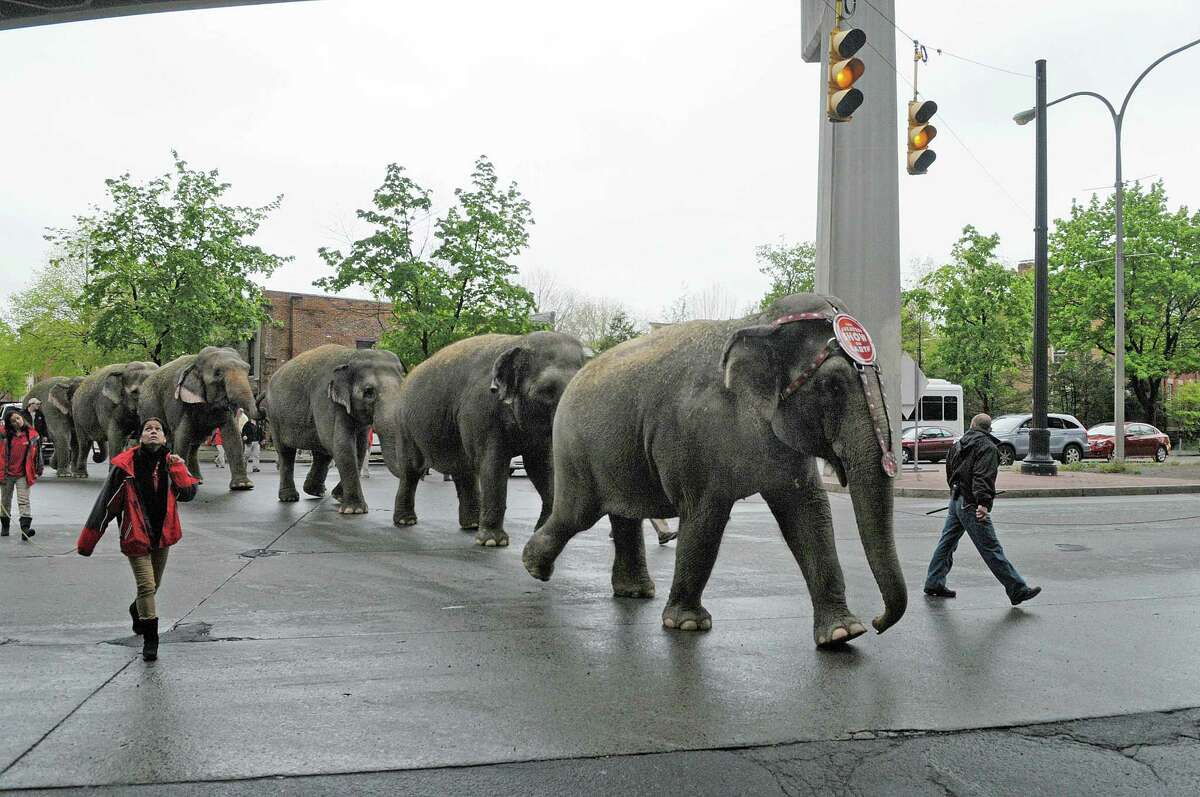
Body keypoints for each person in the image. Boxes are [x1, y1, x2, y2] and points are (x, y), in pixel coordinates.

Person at [76, 418, 199, 662]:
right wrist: (87, 541)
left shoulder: (171, 463)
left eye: (158, 429)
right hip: (136, 537)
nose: (153, 432)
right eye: (148, 429)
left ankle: (137, 609)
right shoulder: (125, 467)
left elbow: (188, 495)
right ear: (140, 437)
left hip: (162, 536)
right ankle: (151, 640)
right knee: (146, 586)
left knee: (153, 586)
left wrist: (179, 470)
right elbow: (106, 505)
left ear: (165, 438)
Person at [924, 413, 1041, 605]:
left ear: (972, 425)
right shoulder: (987, 447)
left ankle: (934, 582)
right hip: (971, 502)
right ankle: (1017, 589)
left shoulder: (958, 444)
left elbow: (950, 471)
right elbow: (982, 476)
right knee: (990, 547)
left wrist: (956, 493)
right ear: (989, 429)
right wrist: (983, 503)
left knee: (946, 543)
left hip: (956, 499)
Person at [1, 405, 42, 540]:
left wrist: (38, 469)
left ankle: (25, 530)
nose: (17, 421)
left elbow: (37, 455)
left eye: (18, 418)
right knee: (5, 501)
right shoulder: (3, 435)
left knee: (24, 500)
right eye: (13, 421)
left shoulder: (32, 435)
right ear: (9, 424)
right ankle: (5, 527)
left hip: (23, 474)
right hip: (6, 474)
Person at [24, 398, 51, 465]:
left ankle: (36, 469)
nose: (39, 405)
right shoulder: (23, 413)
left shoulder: (40, 414)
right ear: (31, 404)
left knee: (37, 453)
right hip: (26, 437)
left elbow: (44, 426)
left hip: (37, 437)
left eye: (39, 404)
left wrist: (45, 436)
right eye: (37, 404)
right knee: (26, 453)